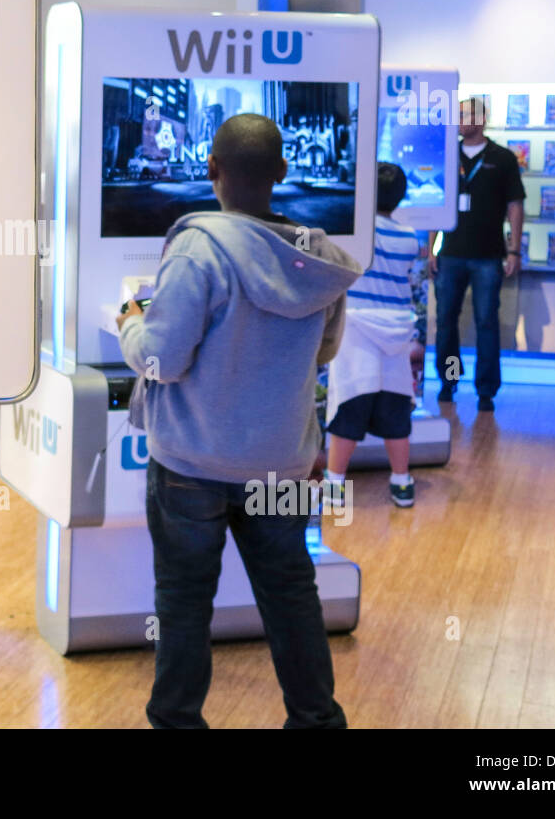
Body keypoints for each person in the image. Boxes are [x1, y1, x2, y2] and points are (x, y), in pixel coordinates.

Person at [117, 114, 360, 730]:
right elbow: (324, 352)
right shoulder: (320, 258)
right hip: (280, 460)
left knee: (183, 604)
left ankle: (177, 722)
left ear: (211, 169)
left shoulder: (197, 248)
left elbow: (162, 358)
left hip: (191, 466)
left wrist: (128, 319)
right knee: (290, 596)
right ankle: (317, 720)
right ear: (282, 171)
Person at [324, 163, 423, 508]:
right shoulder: (411, 238)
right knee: (396, 408)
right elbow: (414, 284)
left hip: (356, 330)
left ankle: (335, 485)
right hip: (397, 328)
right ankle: (401, 481)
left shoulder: (357, 235)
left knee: (350, 405)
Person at [428, 97, 525, 411]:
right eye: (456, 114)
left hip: (488, 255)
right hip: (451, 253)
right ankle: (449, 380)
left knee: (486, 322)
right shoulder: (446, 155)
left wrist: (514, 250)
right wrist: (431, 248)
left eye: (464, 114)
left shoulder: (503, 158)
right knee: (446, 322)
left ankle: (486, 390)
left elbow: (515, 206)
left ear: (482, 119)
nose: (458, 120)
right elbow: (435, 202)